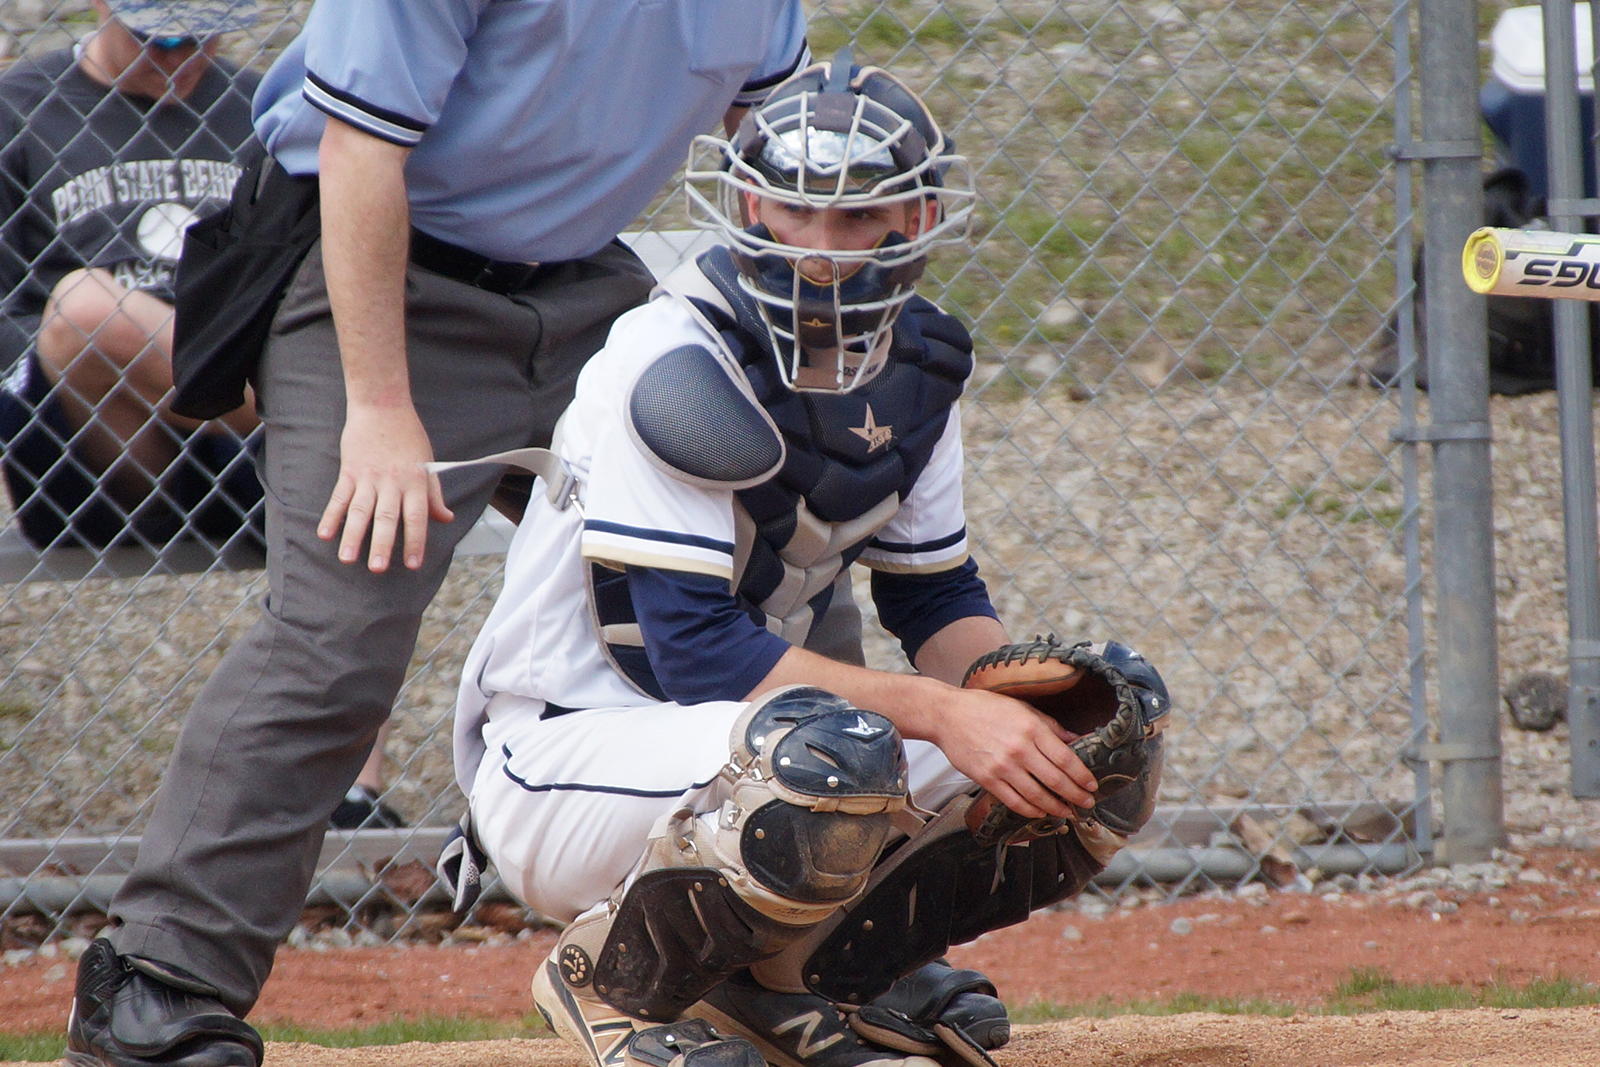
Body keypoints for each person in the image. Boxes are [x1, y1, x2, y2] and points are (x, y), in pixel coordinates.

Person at [64, 3, 813, 1067]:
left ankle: (806, 945)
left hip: (584, 279)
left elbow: (781, 146)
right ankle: (158, 981)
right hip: (379, 266)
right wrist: (379, 406)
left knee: (766, 541)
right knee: (341, 626)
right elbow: (360, 144)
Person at [446, 57, 1169, 1067]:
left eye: (856, 218)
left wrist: (1010, 707)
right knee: (829, 758)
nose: (820, 252)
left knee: (1102, 735)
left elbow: (935, 593)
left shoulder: (914, 361)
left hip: (730, 749)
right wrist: (947, 713)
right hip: (567, 752)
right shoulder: (671, 360)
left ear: (914, 220)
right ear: (745, 204)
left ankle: (806, 975)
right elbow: (695, 653)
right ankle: (613, 982)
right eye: (793, 213)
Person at [0, 0, 265, 551]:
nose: (182, 60)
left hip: (252, 463)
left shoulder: (261, 107)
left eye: (204, 38)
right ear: (102, 7)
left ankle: (289, 421)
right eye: (160, 40)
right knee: (88, 307)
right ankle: (306, 420)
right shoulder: (19, 107)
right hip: (102, 452)